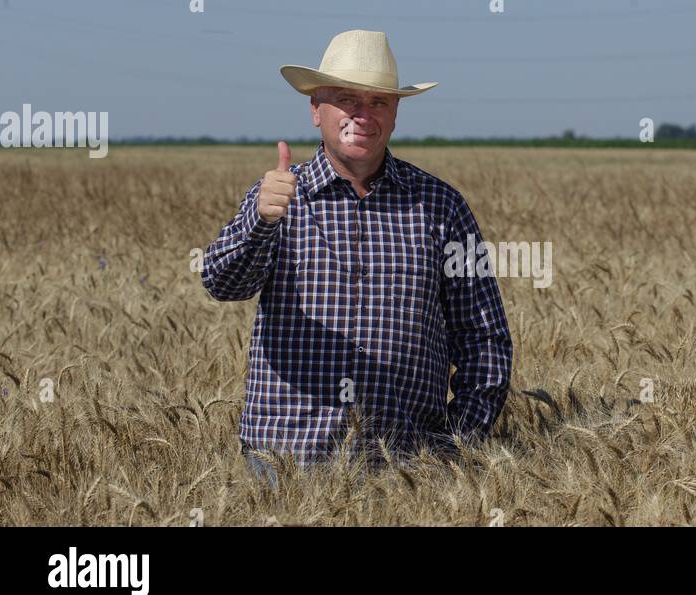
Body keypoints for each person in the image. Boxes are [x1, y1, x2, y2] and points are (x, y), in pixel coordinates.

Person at [202, 30, 513, 479]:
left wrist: (455, 447)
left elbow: (484, 337)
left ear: (396, 113)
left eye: (378, 102)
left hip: (405, 467)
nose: (361, 115)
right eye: (346, 99)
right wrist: (261, 218)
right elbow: (221, 283)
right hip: (283, 462)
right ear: (316, 110)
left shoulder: (442, 206)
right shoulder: (279, 197)